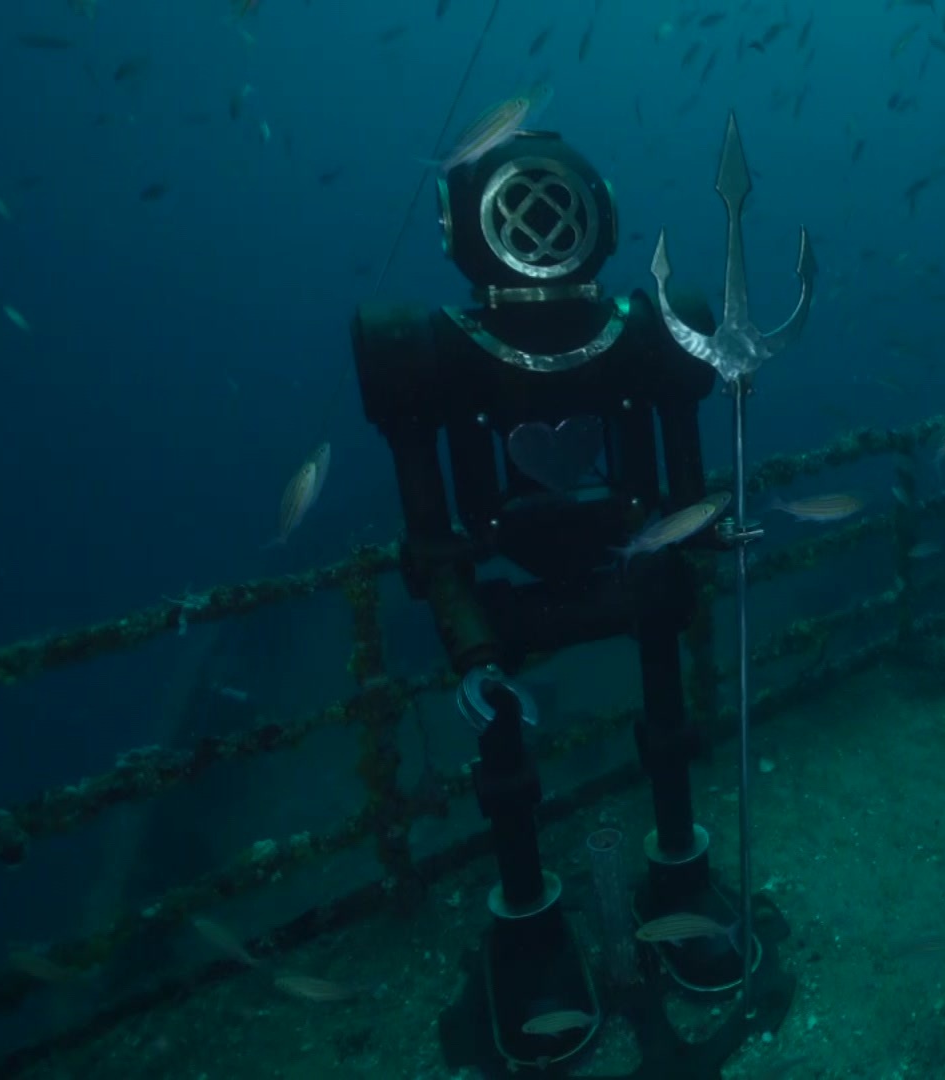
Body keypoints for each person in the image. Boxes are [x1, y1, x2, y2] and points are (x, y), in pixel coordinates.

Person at [350, 128, 751, 1068]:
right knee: (511, 771)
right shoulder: (429, 350)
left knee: (662, 719)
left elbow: (683, 490)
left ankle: (676, 870)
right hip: (517, 585)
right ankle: (529, 925)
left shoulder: (638, 333)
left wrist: (695, 548)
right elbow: (436, 540)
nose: (542, 220)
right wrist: (474, 648)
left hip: (626, 565)